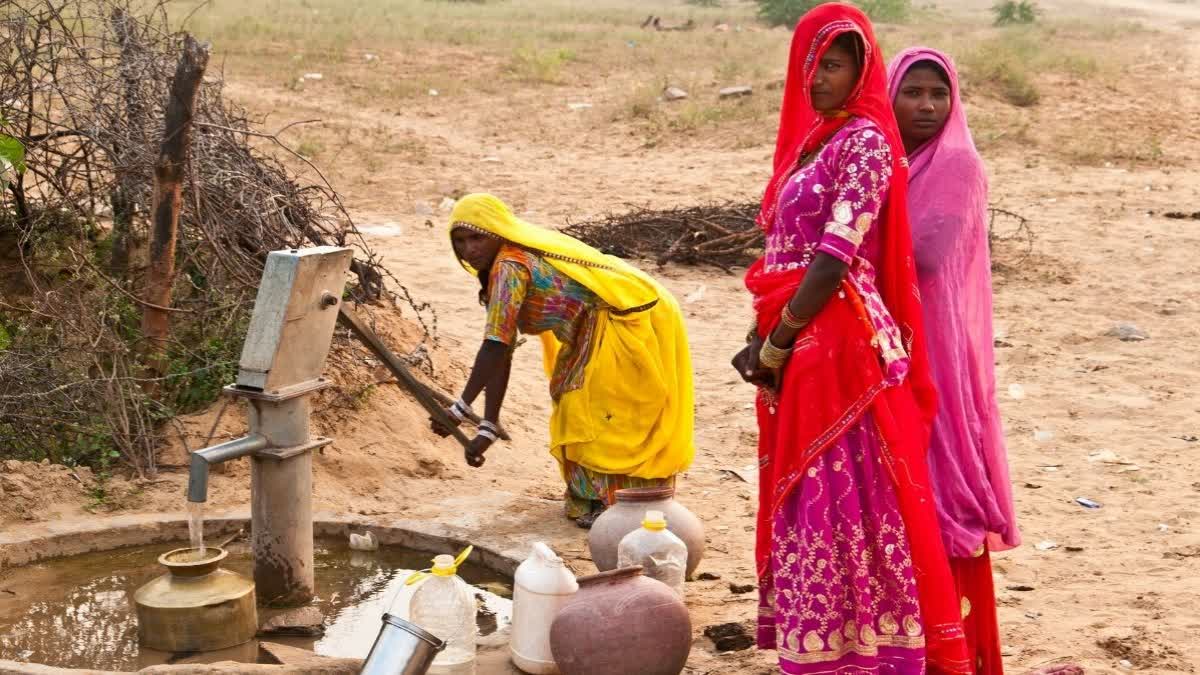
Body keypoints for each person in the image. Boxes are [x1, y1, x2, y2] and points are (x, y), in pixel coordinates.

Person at [731, 4, 971, 673]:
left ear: (861, 71)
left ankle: (865, 649)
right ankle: (823, 645)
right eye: (813, 63)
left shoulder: (864, 140)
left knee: (844, 493)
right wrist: (761, 334)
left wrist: (777, 340)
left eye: (835, 65)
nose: (819, 77)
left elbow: (835, 255)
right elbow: (782, 248)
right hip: (800, 331)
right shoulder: (815, 140)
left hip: (843, 342)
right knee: (810, 491)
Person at [888, 48, 1082, 675]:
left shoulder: (958, 163)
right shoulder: (883, 161)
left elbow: (925, 252)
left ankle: (951, 647)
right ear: (888, 97)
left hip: (933, 345)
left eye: (938, 94)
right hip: (883, 339)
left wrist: (847, 232)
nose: (927, 106)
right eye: (912, 92)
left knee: (937, 478)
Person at [433, 193, 695, 528]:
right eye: (460, 241)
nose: (469, 249)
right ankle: (601, 500)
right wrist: (488, 425)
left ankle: (620, 505)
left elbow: (494, 348)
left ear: (498, 233)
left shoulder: (510, 266)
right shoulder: (502, 267)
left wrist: (459, 409)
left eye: (477, 238)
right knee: (577, 405)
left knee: (604, 413)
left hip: (626, 319)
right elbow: (502, 348)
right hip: (592, 326)